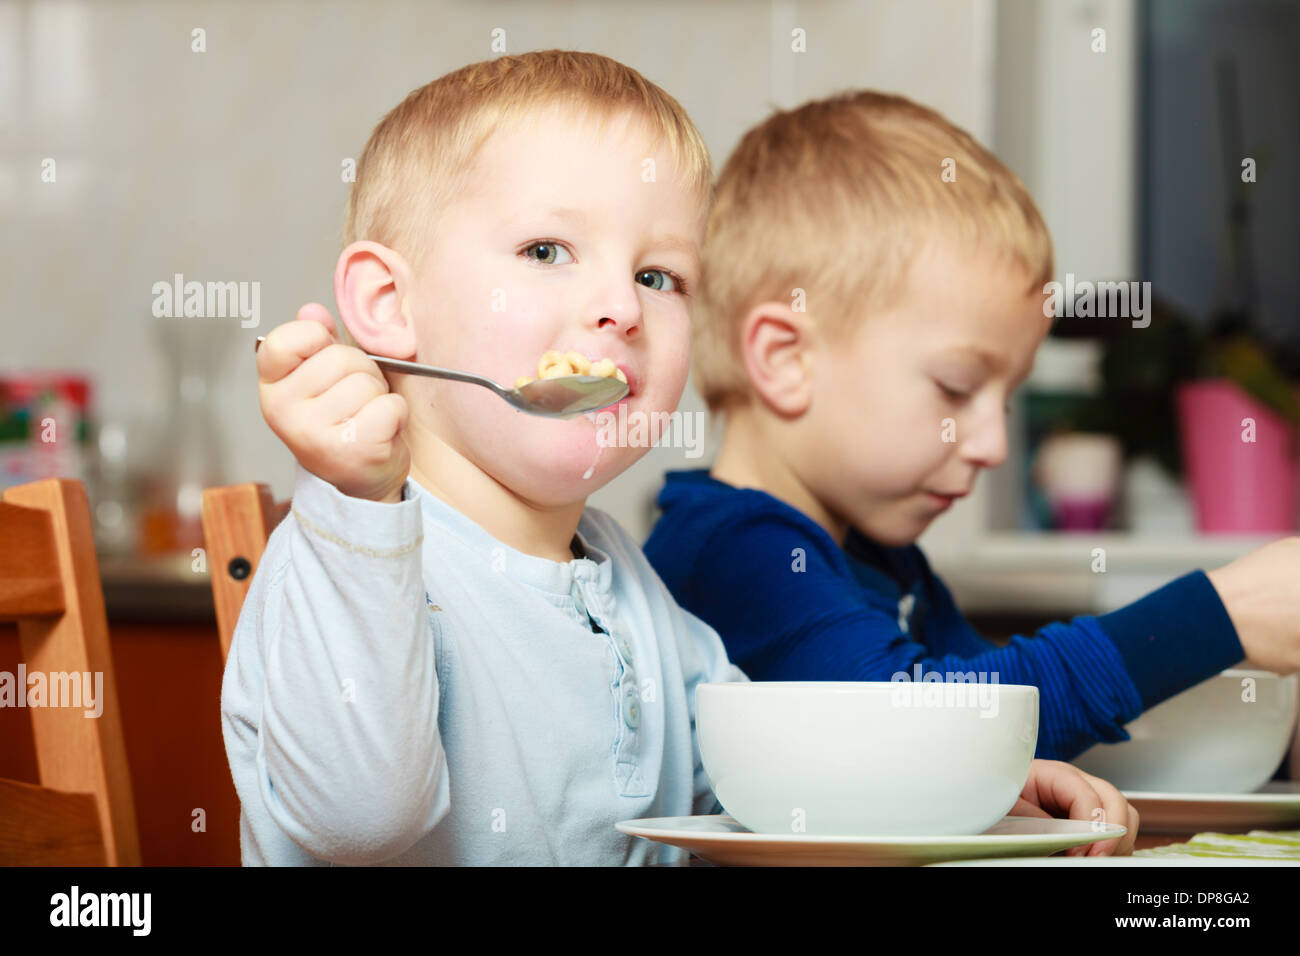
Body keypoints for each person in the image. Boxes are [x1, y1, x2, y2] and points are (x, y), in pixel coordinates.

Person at [224, 59, 1138, 865]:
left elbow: (757, 781)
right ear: (388, 304)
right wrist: (359, 505)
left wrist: (971, 790)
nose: (621, 306)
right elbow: (361, 823)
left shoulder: (628, 582)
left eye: (659, 276)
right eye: (547, 251)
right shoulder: (339, 557)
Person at [644, 89, 1300, 769]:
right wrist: (1224, 614)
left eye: (1007, 401)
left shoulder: (881, 558)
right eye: (956, 388)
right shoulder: (737, 552)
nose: (993, 446)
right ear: (785, 359)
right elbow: (925, 730)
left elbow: (1012, 715)